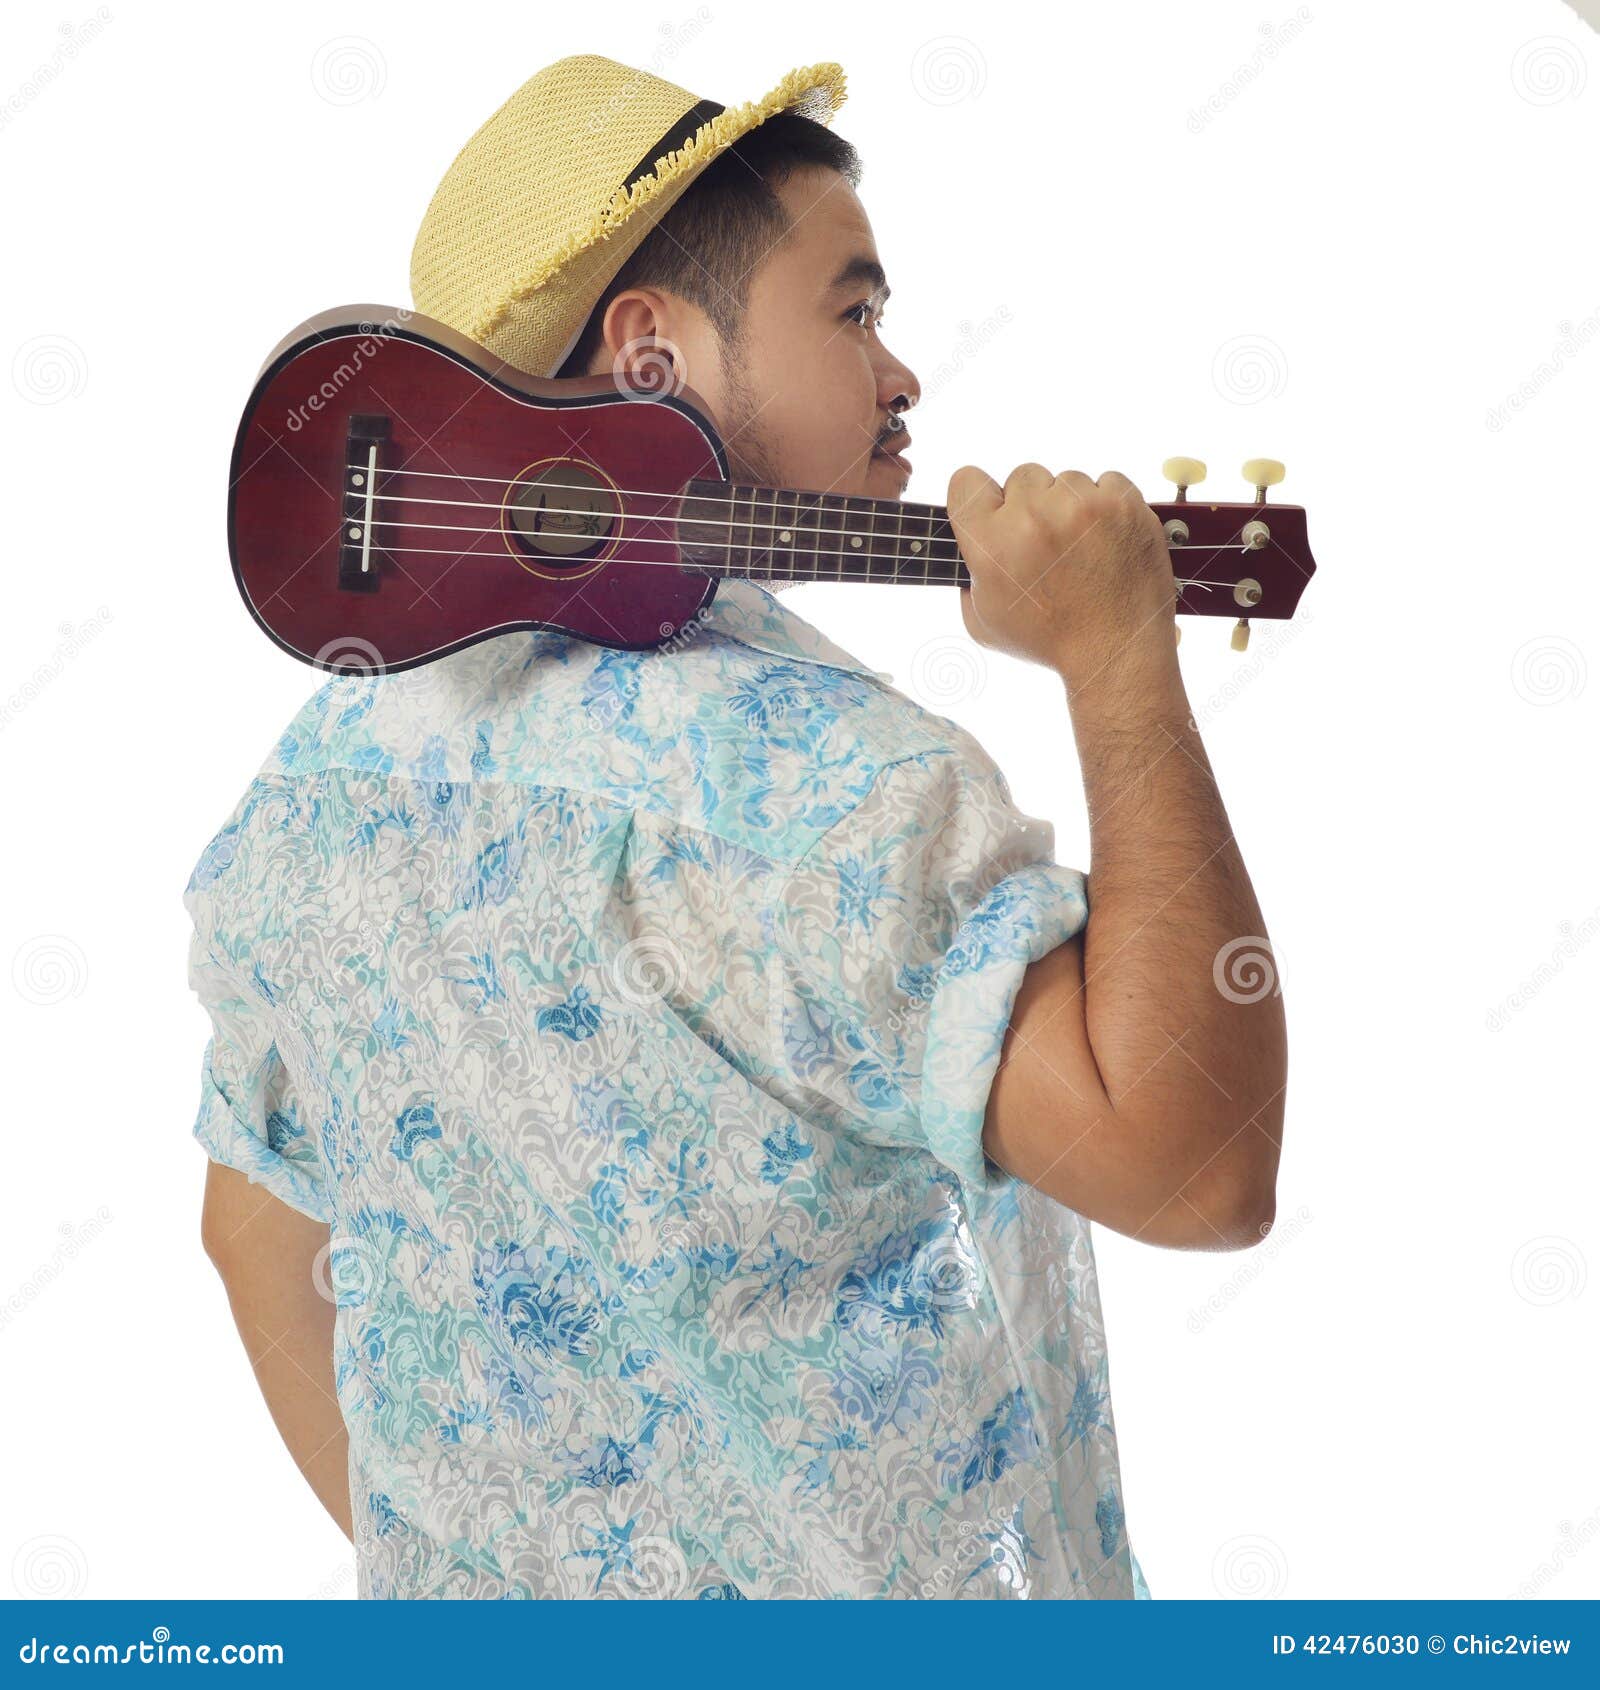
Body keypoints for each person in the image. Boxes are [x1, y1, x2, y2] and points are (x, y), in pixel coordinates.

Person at [185, 54, 1286, 1600]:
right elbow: (1198, 1165)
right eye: (852, 309)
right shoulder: (848, 798)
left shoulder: (313, 786)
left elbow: (255, 1237)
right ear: (648, 353)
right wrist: (1119, 663)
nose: (901, 373)